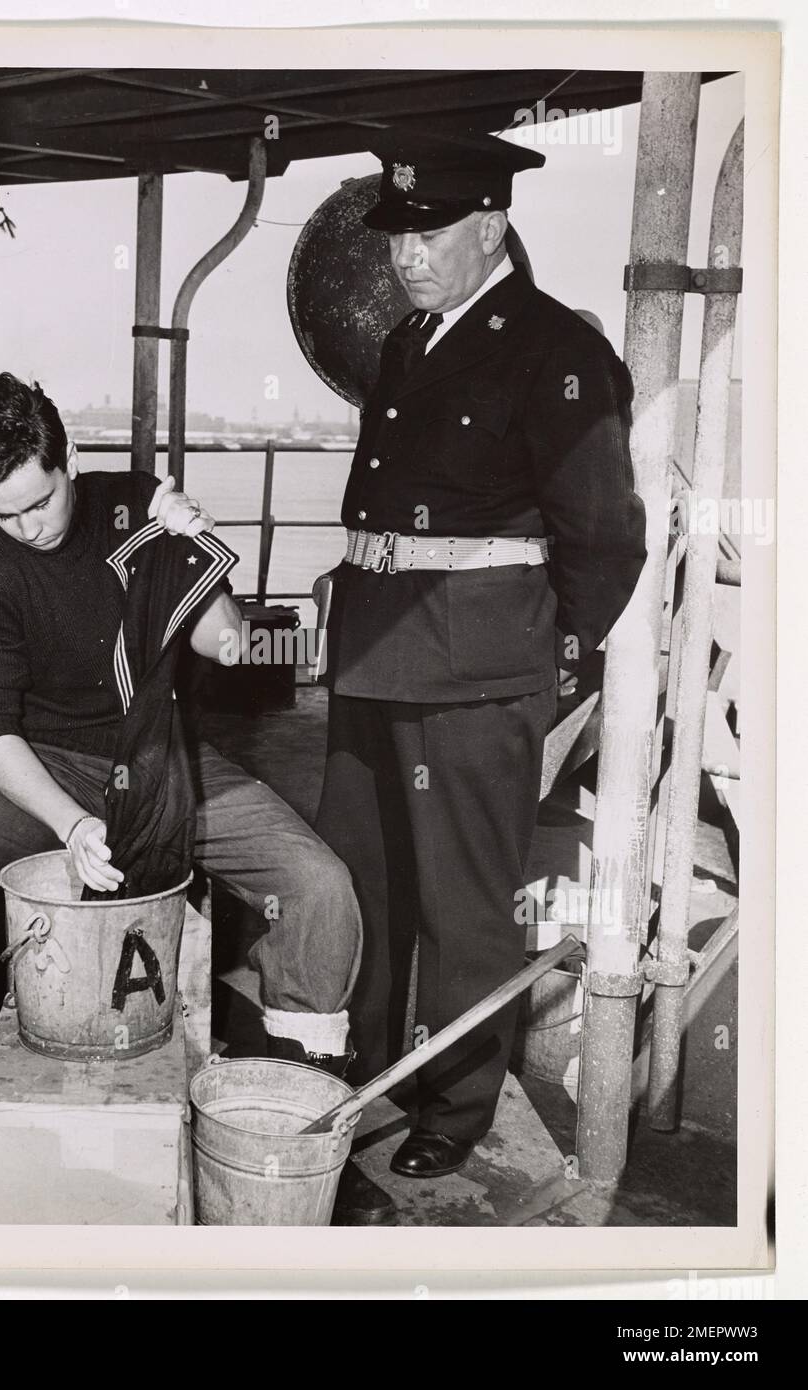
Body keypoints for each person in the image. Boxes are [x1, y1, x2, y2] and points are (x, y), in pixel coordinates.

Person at [0, 372, 362, 1216]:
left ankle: (296, 1107)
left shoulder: (137, 504)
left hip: (161, 752)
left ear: (67, 459)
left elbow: (227, 646)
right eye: (0, 513)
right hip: (46, 763)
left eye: (38, 502)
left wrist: (197, 548)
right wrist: (70, 823)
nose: (26, 528)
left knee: (317, 884)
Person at [315, 131, 648, 1225]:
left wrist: (548, 667)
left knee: (463, 905)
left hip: (477, 671)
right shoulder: (407, 341)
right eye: (397, 236)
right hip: (373, 657)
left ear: (493, 225)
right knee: (362, 882)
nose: (406, 256)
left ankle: (453, 1106)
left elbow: (603, 537)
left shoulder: (555, 350)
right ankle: (360, 1068)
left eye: (430, 233)